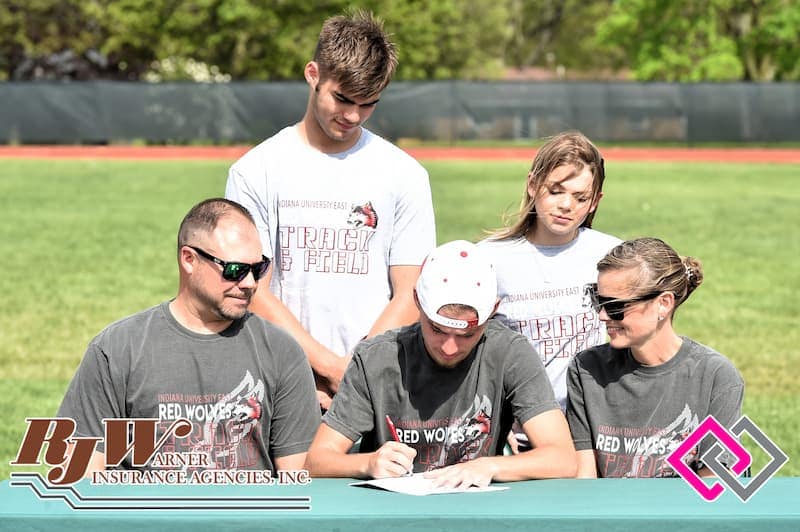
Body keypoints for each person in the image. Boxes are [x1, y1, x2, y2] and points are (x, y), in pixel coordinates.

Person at [225, 11, 436, 410]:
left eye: (367, 103)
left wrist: (357, 373)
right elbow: (252, 290)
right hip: (282, 380)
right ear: (312, 74)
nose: (352, 115)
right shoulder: (256, 170)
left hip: (378, 381)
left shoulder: (405, 174)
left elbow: (410, 291)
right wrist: (326, 366)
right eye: (342, 99)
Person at [57, 198, 320, 476]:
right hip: (147, 518)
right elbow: (79, 475)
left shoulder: (282, 352)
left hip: (246, 520)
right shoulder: (117, 349)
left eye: (258, 269)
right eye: (235, 270)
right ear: (189, 260)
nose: (249, 284)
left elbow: (301, 479)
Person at [304, 240, 577, 488]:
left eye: (467, 335)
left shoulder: (509, 352)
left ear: (493, 311)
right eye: (437, 329)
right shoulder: (375, 358)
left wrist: (488, 466)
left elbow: (562, 458)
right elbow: (317, 461)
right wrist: (368, 463)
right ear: (417, 302)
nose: (450, 347)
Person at [478, 131, 620, 451]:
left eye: (581, 197)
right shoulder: (488, 258)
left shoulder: (611, 256)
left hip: (589, 434)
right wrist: (492, 422)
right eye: (555, 191)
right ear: (532, 185)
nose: (566, 205)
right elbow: (469, 350)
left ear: (595, 201)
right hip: (514, 434)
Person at [566, 237, 744, 478]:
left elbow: (714, 486)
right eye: (598, 300)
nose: (602, 316)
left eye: (616, 306)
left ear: (663, 303)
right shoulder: (586, 369)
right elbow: (584, 479)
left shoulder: (715, 376)